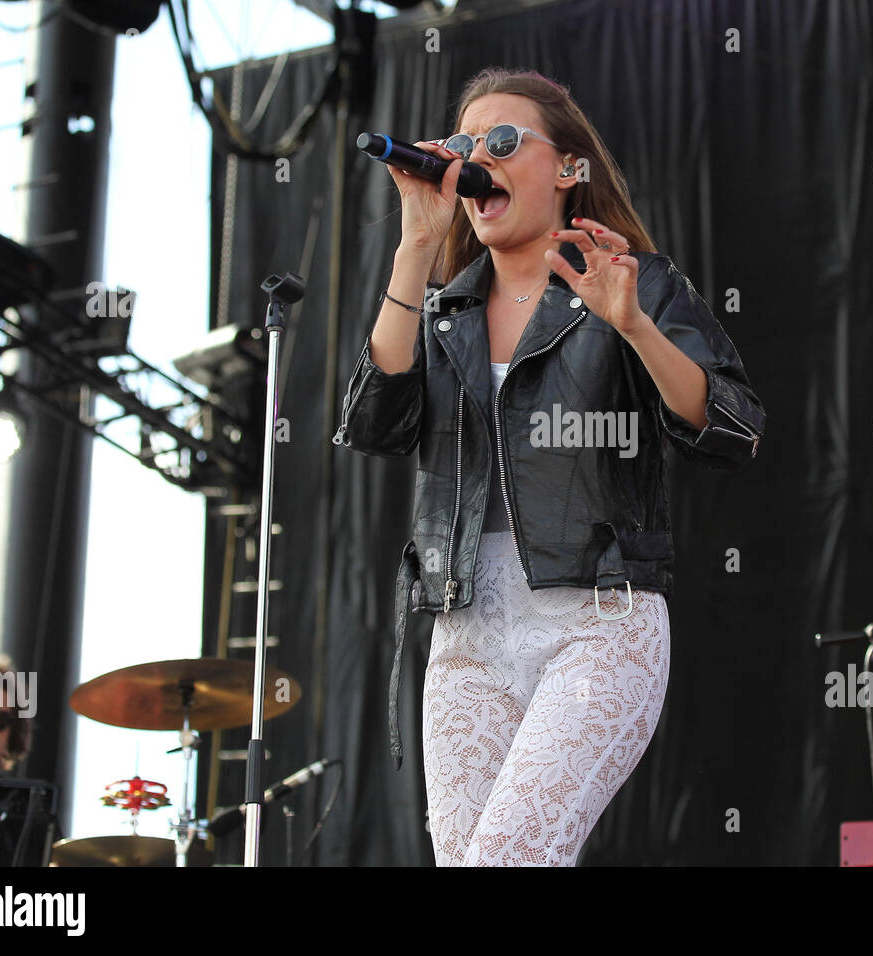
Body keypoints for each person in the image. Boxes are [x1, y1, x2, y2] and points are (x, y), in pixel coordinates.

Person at [335, 67, 765, 865]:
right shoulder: (447, 309)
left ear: (570, 169)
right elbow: (376, 421)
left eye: (502, 141)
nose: (474, 159)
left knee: (511, 858)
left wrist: (633, 326)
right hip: (466, 629)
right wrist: (416, 245)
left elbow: (732, 429)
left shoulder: (638, 283)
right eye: (464, 145)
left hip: (598, 623)